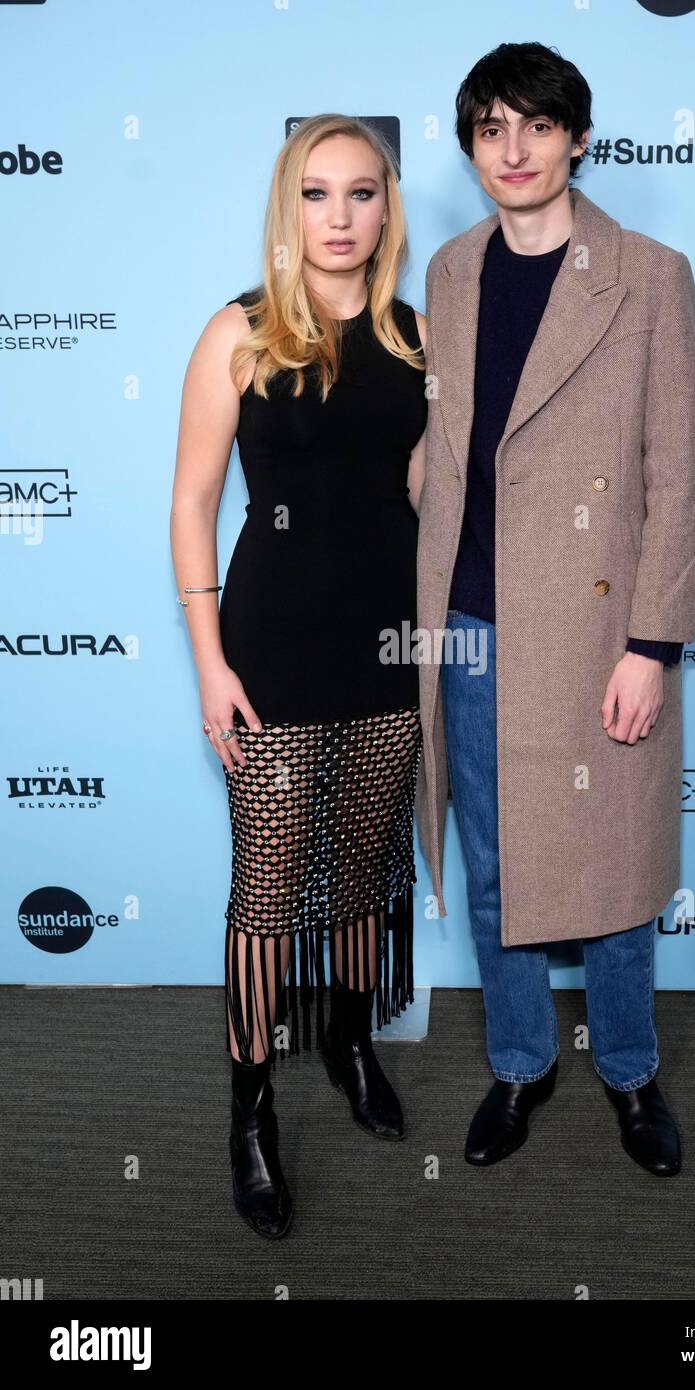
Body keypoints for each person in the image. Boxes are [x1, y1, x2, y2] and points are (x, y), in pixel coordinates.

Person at [415, 42, 695, 1174]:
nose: (514, 150)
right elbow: (445, 448)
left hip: (593, 633)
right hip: (474, 621)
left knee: (614, 869)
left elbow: (676, 474)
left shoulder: (646, 272)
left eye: (536, 125)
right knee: (493, 863)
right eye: (491, 129)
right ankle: (519, 1058)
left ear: (575, 137)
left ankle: (630, 1074)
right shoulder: (447, 271)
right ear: (472, 148)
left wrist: (650, 643)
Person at [170, 114, 428, 1238]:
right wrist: (208, 664)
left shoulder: (418, 337)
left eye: (361, 193)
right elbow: (188, 505)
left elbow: (426, 492)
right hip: (269, 652)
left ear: (387, 208)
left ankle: (349, 1039)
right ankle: (250, 1109)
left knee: (367, 868)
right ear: (289, 207)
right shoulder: (238, 329)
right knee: (270, 896)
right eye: (316, 194)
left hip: (388, 647)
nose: (339, 217)